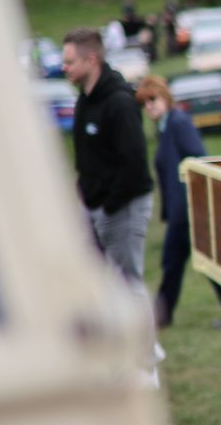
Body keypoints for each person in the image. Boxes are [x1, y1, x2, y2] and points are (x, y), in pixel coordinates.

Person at [63, 27, 154, 299]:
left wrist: (109, 206)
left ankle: (141, 330)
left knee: (128, 287)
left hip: (122, 208)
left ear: (91, 60)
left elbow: (134, 164)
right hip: (93, 207)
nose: (64, 68)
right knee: (93, 283)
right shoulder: (85, 100)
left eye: (70, 62)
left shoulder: (120, 103)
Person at [135, 75, 206, 327]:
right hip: (180, 212)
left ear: (165, 97)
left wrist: (189, 201)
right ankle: (162, 315)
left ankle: (161, 316)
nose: (149, 106)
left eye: (153, 99)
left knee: (204, 265)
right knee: (172, 262)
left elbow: (199, 157)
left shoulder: (178, 122)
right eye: (144, 103)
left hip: (189, 211)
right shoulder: (165, 126)